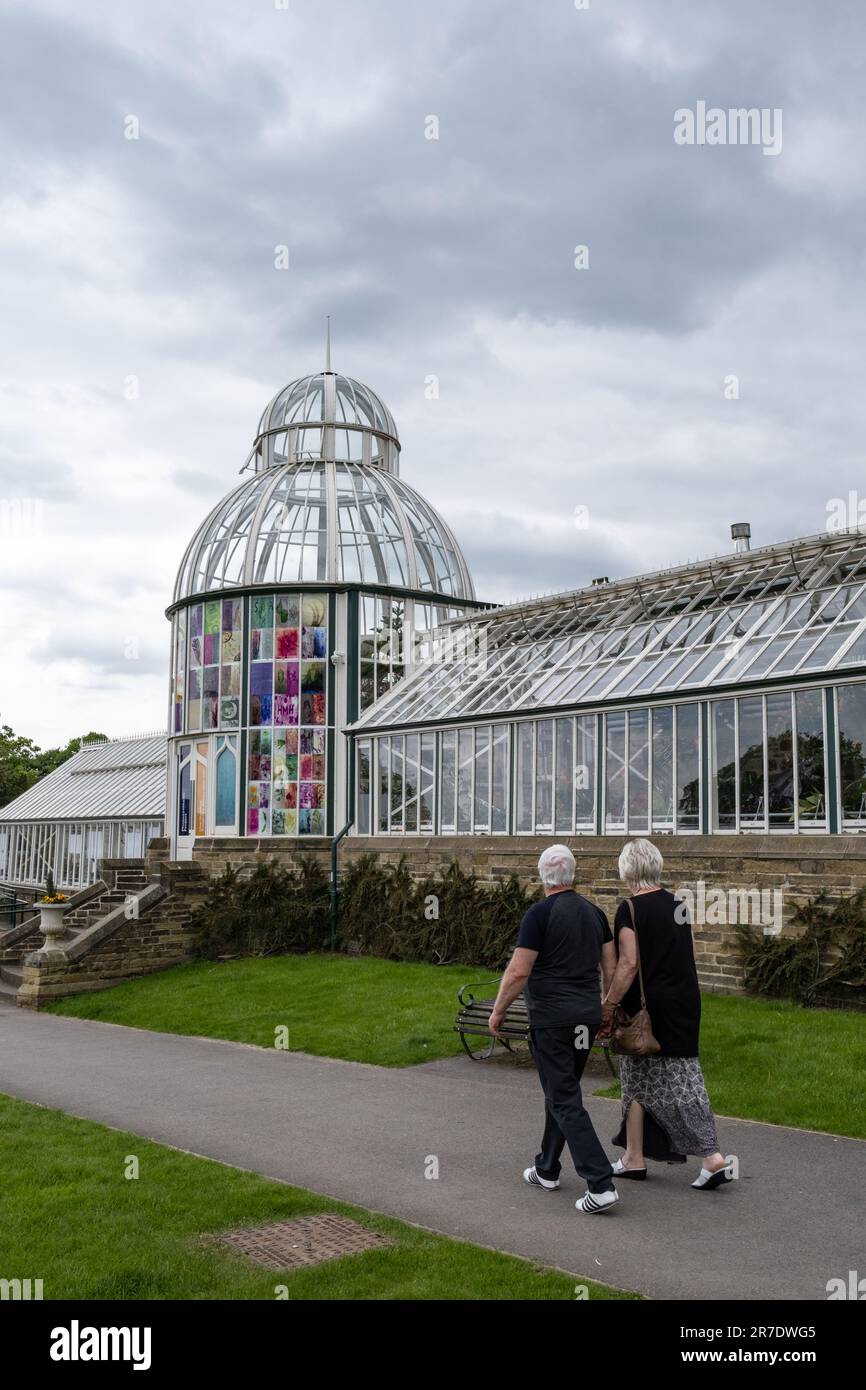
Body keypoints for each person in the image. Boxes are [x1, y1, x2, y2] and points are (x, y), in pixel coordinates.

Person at [489, 844, 619, 1214]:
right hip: (585, 1019)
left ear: (542, 876)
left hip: (551, 1019)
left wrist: (498, 1011)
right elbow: (609, 968)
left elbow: (518, 971)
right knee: (561, 1091)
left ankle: (600, 1183)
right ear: (572, 874)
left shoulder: (538, 914)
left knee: (563, 1096)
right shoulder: (594, 913)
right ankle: (547, 1168)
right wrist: (607, 1008)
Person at [602, 838, 732, 1191]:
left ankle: (713, 1157)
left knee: (683, 1081)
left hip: (647, 1010)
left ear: (626, 869)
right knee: (637, 1082)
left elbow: (629, 963)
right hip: (684, 1001)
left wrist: (609, 1004)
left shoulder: (629, 909)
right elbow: (688, 952)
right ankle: (633, 1157)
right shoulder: (678, 904)